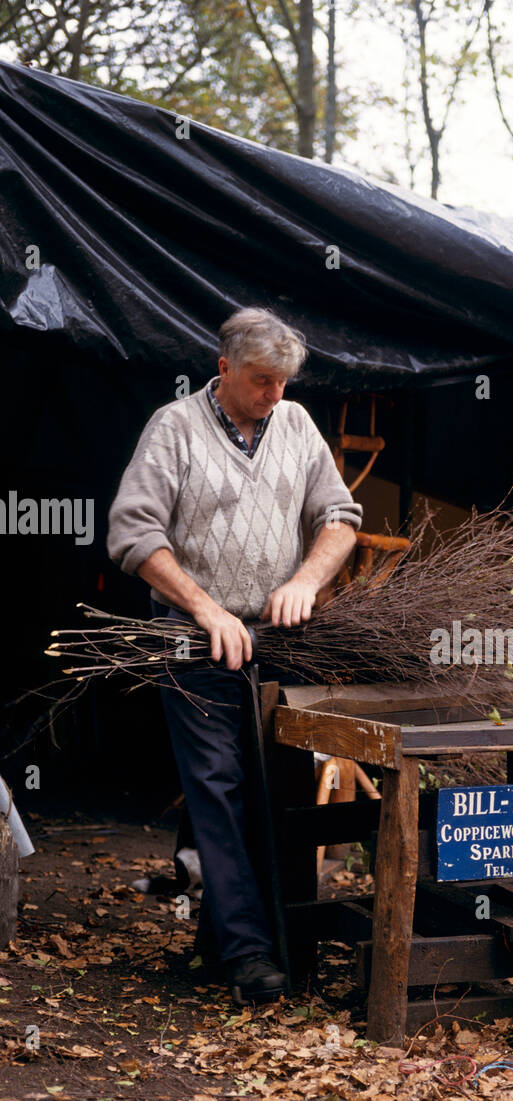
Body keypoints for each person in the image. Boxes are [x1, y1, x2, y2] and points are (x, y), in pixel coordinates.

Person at [107, 308, 362, 1002]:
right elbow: (133, 534)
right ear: (223, 370)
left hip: (278, 643)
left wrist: (307, 580)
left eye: (282, 382)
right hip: (193, 641)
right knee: (218, 789)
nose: (274, 396)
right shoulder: (174, 428)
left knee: (278, 789)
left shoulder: (298, 424)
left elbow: (340, 520)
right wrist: (206, 606)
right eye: (260, 382)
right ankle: (251, 958)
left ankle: (254, 944)